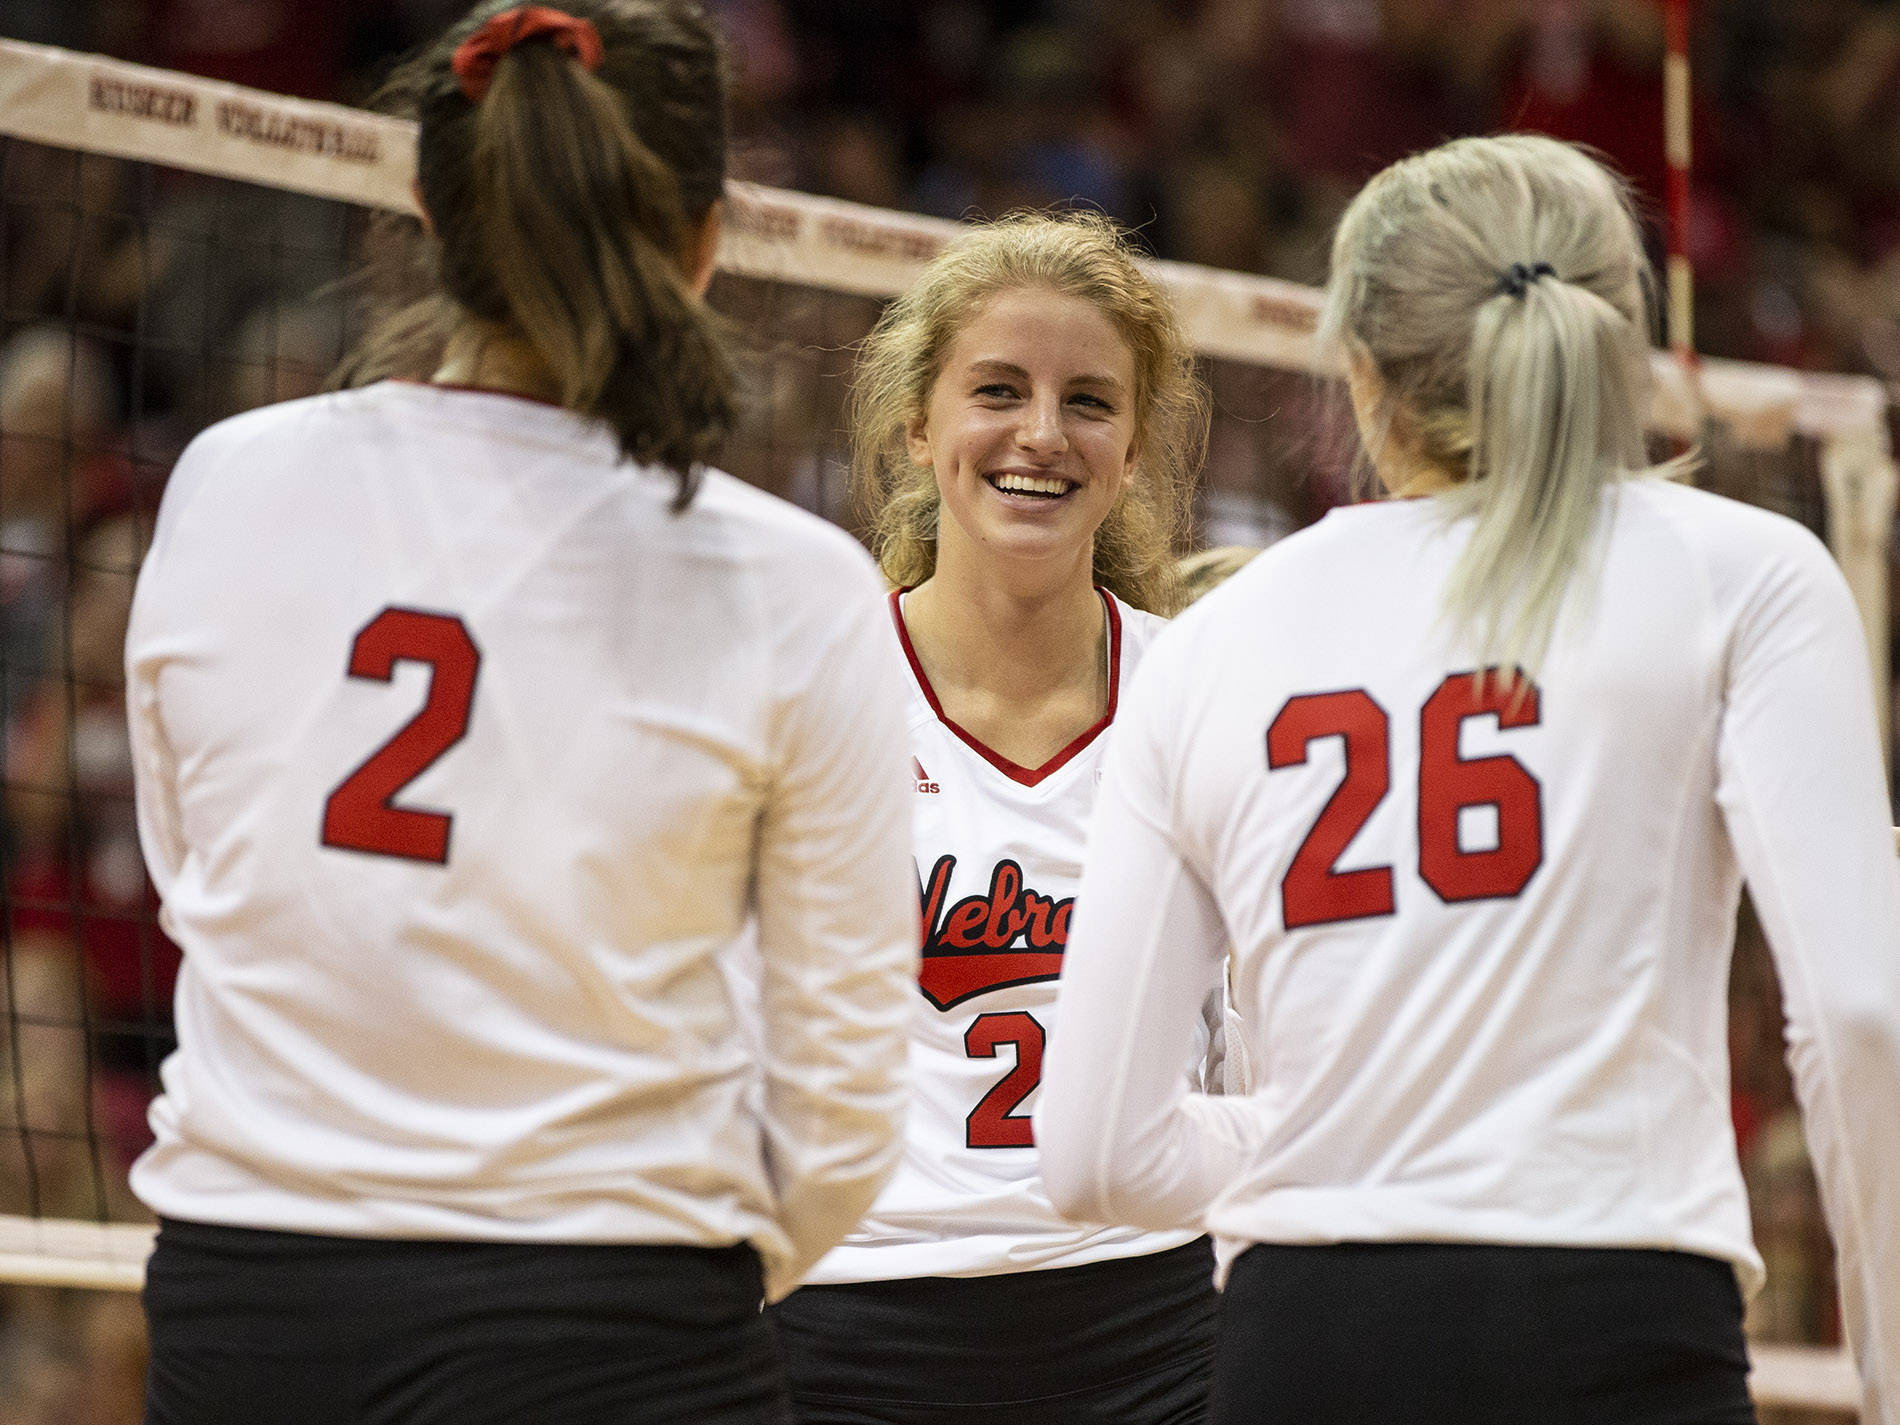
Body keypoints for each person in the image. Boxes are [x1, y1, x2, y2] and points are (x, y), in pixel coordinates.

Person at [125, 5, 917, 1422]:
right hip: (614, 1319)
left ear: (425, 208)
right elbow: (845, 1107)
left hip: (254, 1311)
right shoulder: (791, 583)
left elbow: (200, 881)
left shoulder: (226, 482)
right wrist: (654, 1274)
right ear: (709, 238)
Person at [1038, 133, 1900, 1425]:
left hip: (1304, 1347)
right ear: (1620, 342)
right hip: (1618, 1322)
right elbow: (1859, 1019)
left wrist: (1358, 1128)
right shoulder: (1746, 573)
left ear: (1363, 368)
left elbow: (1097, 1151)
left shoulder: (1213, 640)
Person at [768, 212, 1219, 1425]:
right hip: (852, 1312)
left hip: (1157, 1322)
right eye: (997, 390)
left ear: (1131, 449)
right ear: (916, 426)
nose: (1039, 435)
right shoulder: (812, 682)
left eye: (1088, 401)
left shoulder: (1203, 691)